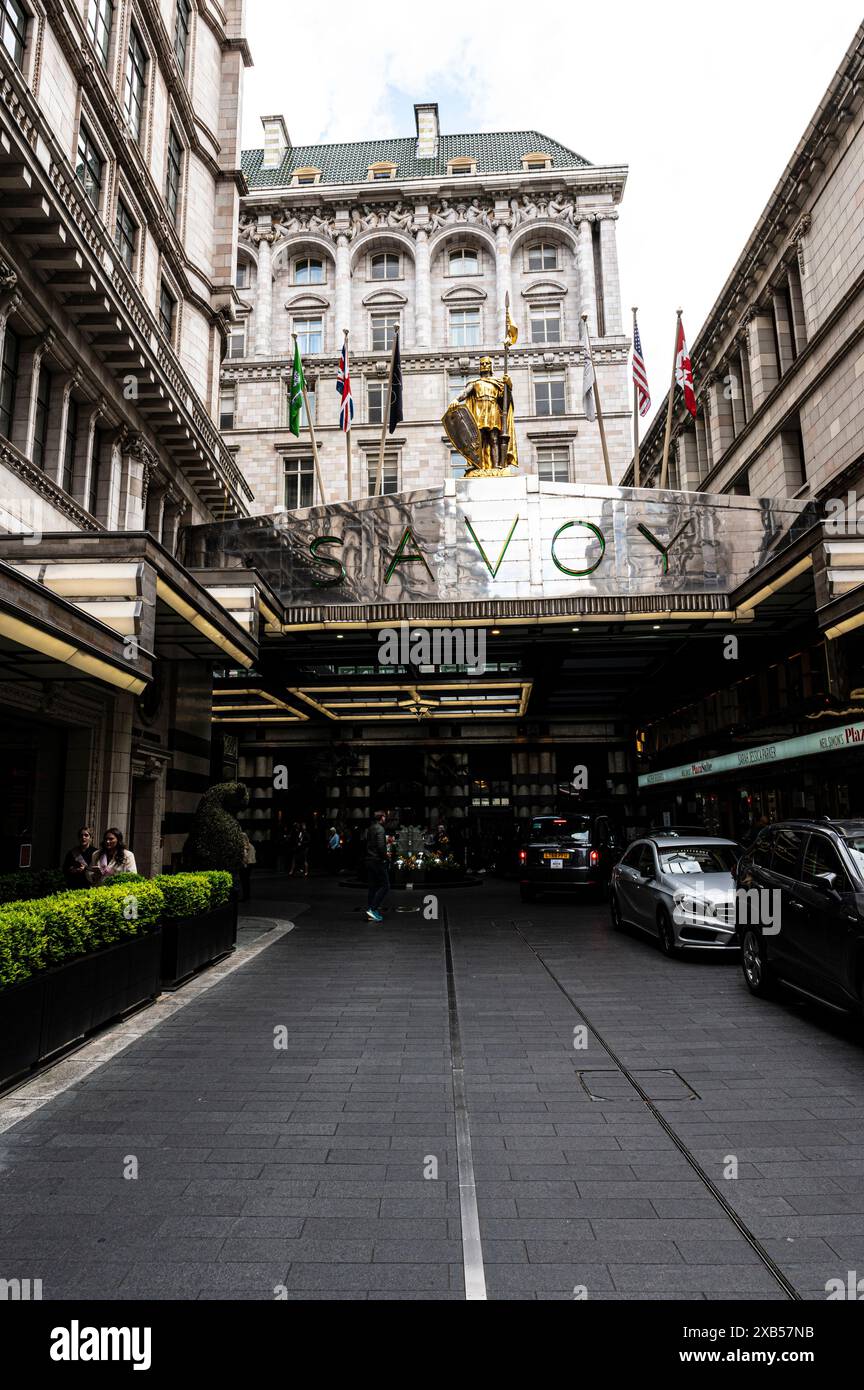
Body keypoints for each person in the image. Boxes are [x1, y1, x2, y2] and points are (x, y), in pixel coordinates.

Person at [365, 810, 390, 923]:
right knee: (385, 885)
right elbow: (380, 846)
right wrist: (385, 857)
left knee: (373, 887)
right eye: (385, 816)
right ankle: (373, 909)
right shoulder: (380, 829)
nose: (386, 818)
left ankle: (371, 913)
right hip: (377, 860)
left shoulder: (371, 828)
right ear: (382, 817)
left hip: (369, 860)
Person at [240, 831, 256, 902]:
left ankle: (245, 896)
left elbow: (245, 856)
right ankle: (247, 895)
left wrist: (244, 864)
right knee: (246, 880)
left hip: (245, 864)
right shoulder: (251, 845)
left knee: (244, 881)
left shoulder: (245, 846)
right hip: (251, 864)